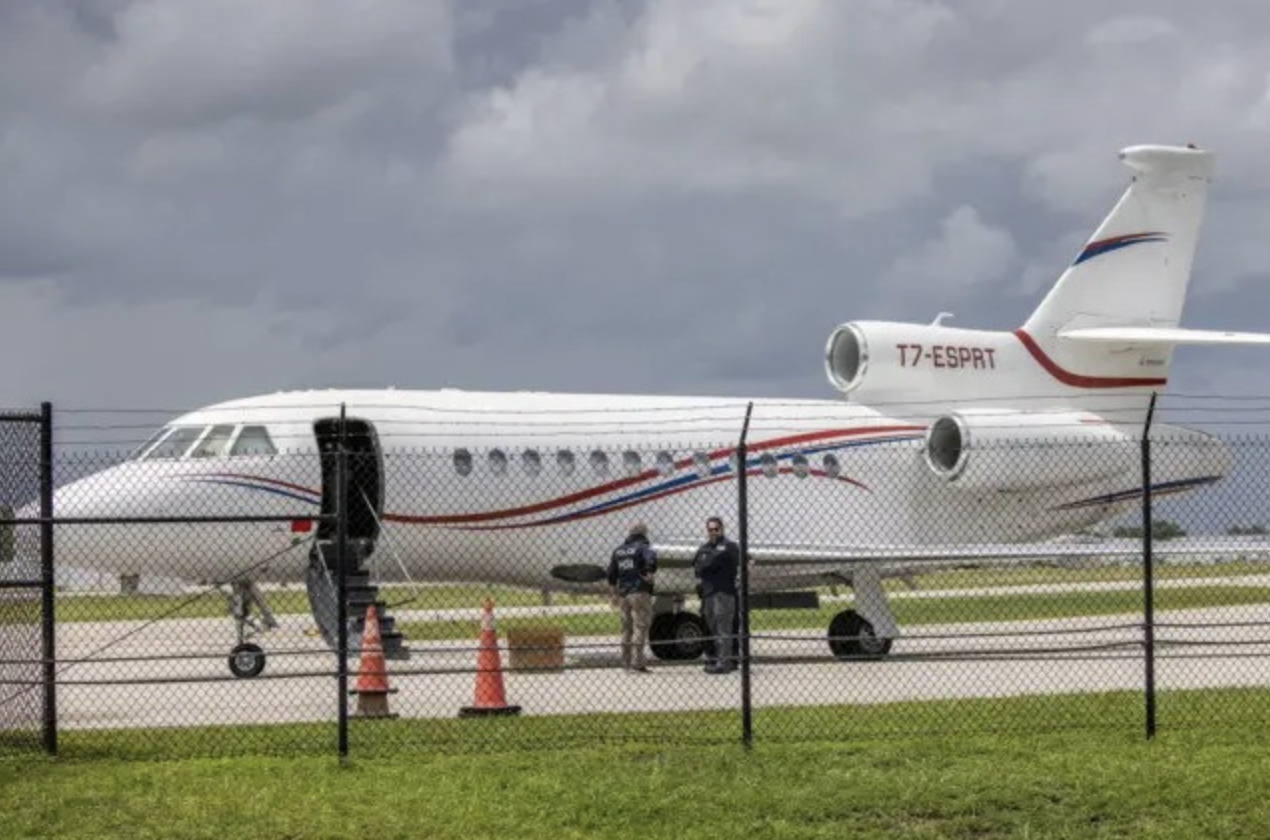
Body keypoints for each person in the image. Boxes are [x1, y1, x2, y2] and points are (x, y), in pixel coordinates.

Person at [607, 522, 658, 672]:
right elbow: (651, 559)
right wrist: (649, 572)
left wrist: (613, 592)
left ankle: (625, 663)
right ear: (643, 533)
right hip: (639, 591)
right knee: (640, 626)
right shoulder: (643, 547)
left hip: (623, 593)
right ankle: (638, 663)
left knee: (626, 628)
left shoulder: (619, 551)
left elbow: (611, 573)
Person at [693, 516, 740, 674]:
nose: (713, 532)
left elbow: (741, 560)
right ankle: (719, 659)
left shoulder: (730, 546)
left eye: (716, 529)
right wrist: (710, 563)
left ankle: (725, 663)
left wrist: (709, 563)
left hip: (724, 592)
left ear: (722, 529)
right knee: (713, 628)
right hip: (708, 594)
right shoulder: (704, 548)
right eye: (710, 529)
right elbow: (698, 567)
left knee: (724, 629)